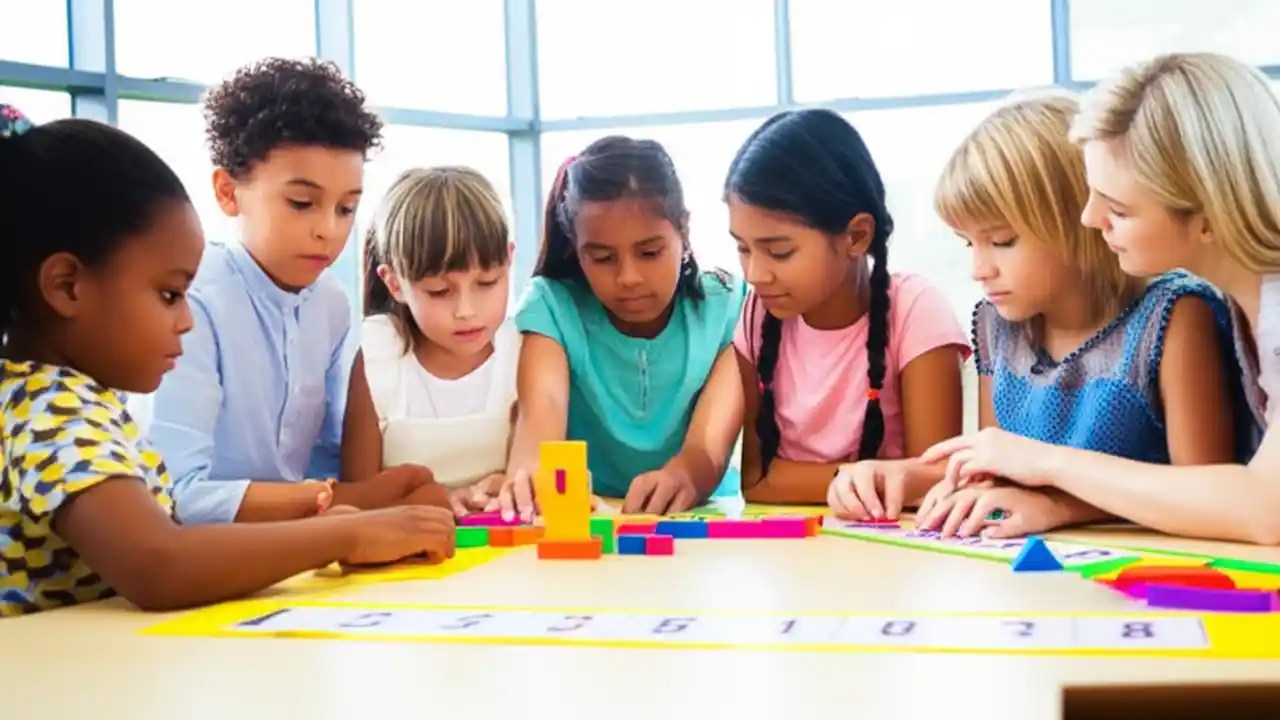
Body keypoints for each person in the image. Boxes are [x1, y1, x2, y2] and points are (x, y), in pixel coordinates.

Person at [0, 105, 454, 617]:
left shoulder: (71, 401)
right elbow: (158, 564)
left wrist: (346, 514)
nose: (186, 320)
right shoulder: (49, 410)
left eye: (347, 208)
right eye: (170, 295)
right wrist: (344, 534)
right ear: (67, 286)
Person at [922, 52, 1280, 544]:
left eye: (1118, 208)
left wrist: (1046, 464)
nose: (1088, 220)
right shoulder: (1248, 306)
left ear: (1206, 215)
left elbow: (1266, 510)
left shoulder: (1198, 312)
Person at [148, 58, 444, 524]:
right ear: (228, 192)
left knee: (427, 496)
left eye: (346, 209)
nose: (328, 230)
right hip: (205, 546)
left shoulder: (330, 303)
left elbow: (329, 461)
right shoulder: (192, 303)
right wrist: (326, 505)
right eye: (302, 203)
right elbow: (172, 495)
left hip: (296, 536)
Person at [727, 108, 970, 515]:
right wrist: (872, 478)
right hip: (792, 540)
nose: (754, 273)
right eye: (742, 248)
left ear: (856, 237)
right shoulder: (758, 316)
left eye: (779, 252)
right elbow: (756, 481)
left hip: (894, 538)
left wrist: (811, 480)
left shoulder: (915, 310)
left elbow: (936, 479)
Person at [495, 136, 747, 519]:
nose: (628, 277)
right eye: (601, 258)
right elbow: (541, 423)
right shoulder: (553, 307)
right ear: (576, 248)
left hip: (700, 516)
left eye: (649, 253)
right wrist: (530, 479)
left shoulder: (728, 308)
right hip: (587, 517)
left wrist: (682, 478)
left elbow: (706, 450)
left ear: (683, 230)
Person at [343, 167, 520, 516]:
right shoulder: (378, 355)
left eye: (487, 283)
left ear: (509, 260)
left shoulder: (522, 351)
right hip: (407, 540)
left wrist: (507, 486)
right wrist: (432, 500)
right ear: (395, 283)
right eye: (439, 291)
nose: (466, 311)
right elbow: (356, 500)